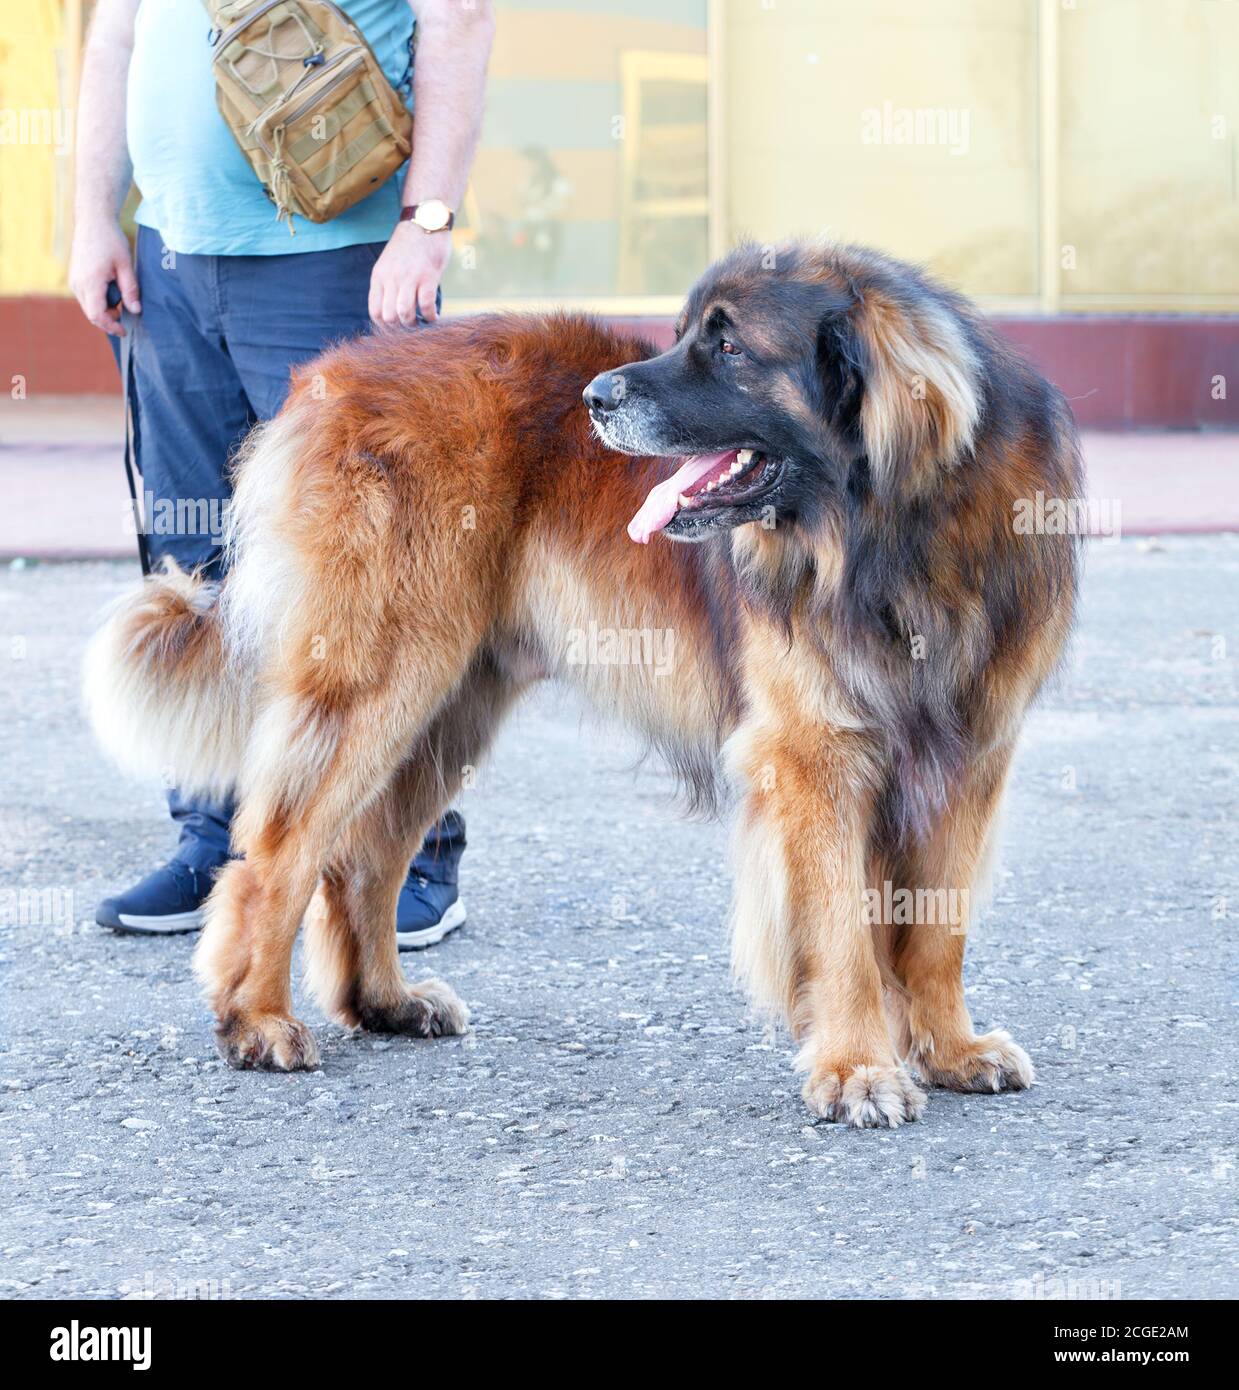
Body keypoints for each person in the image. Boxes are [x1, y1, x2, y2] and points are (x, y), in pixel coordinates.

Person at [68, 0, 494, 947]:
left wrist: (426, 221)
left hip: (338, 258)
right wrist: (94, 214)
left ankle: (407, 857)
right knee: (195, 557)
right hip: (169, 263)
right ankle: (219, 836)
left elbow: (458, 15)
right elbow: (117, 35)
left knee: (375, 572)